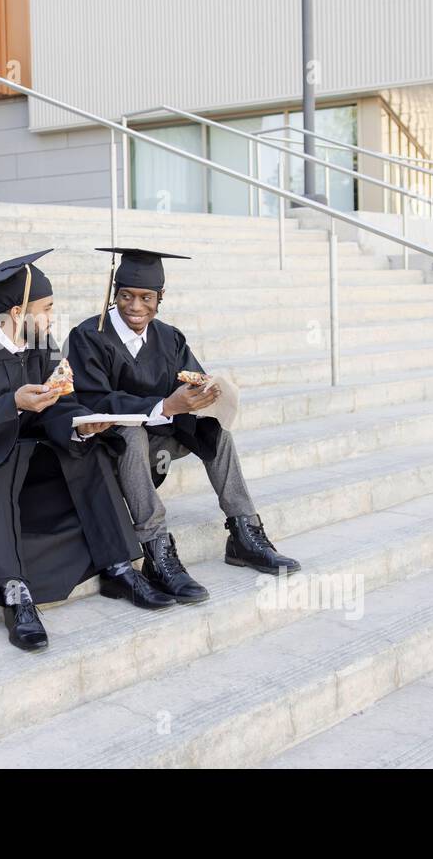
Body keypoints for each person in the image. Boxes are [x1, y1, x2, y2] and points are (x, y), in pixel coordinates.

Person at [0, 249, 175, 652]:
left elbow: (59, 407)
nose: (52, 317)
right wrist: (13, 404)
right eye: (46, 309)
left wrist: (82, 425)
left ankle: (117, 566)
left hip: (17, 449)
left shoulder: (42, 348)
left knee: (90, 449)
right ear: (17, 311)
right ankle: (14, 591)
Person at [66, 247, 301, 604]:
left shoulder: (169, 337)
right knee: (131, 433)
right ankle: (156, 549)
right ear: (114, 295)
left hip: (161, 433)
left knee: (215, 430)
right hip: (111, 442)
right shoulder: (89, 336)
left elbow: (189, 380)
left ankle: (243, 532)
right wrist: (164, 405)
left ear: (161, 297)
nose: (135, 306)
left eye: (146, 297)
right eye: (126, 295)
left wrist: (206, 394)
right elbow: (96, 400)